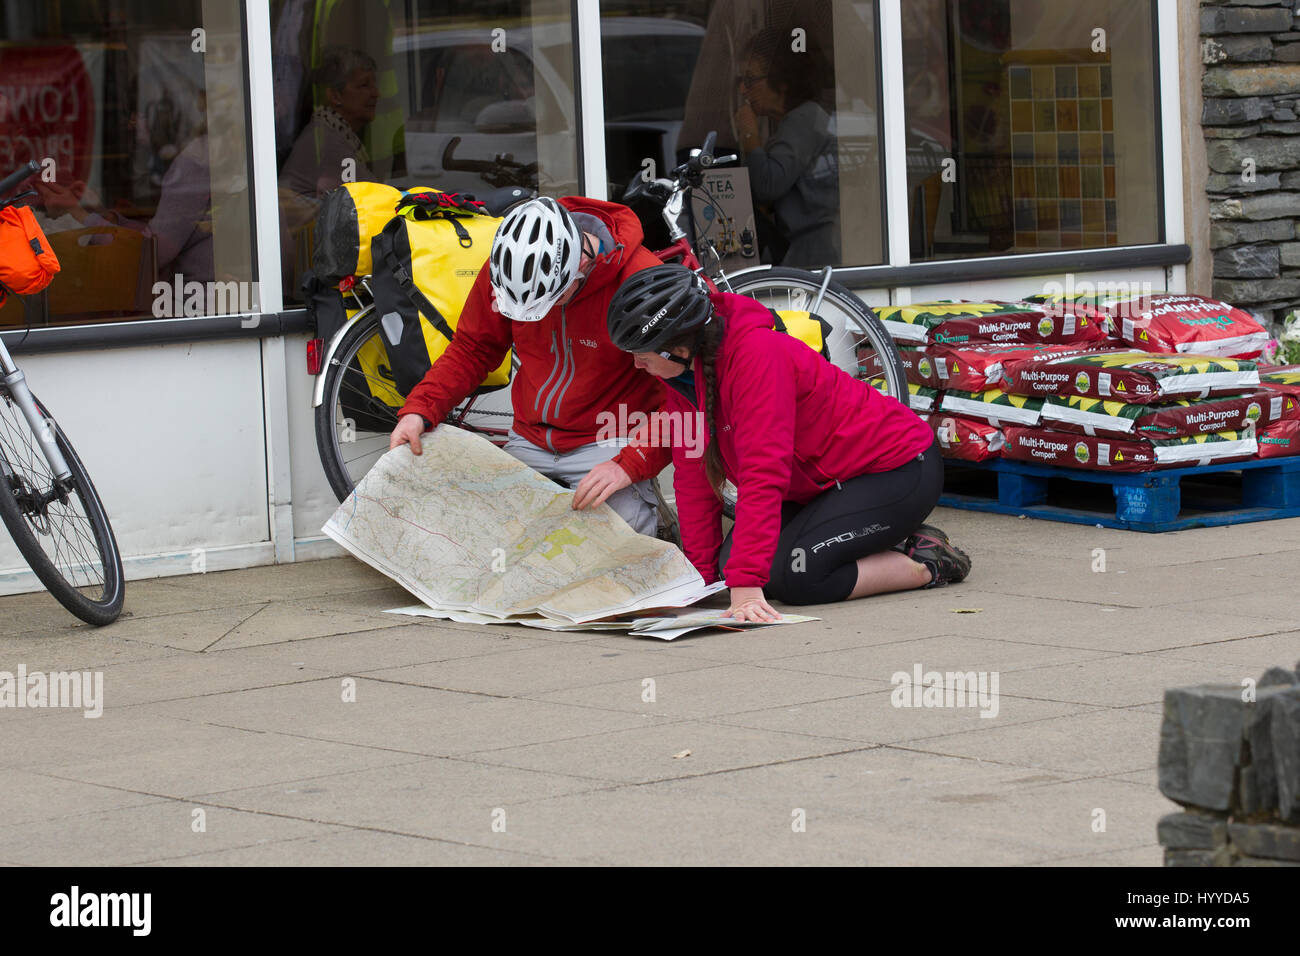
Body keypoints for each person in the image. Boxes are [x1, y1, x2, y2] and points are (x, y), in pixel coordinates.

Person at [606, 264, 971, 622]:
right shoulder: (681, 382)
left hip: (896, 469)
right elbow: (694, 478)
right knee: (727, 566)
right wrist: (698, 583)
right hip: (822, 485)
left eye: (643, 354)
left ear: (677, 347)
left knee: (798, 577)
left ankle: (925, 561)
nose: (637, 365)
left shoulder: (757, 355)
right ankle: (866, 540)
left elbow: (763, 472)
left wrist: (746, 584)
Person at [389, 196, 671, 535]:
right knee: (479, 543)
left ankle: (650, 512)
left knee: (620, 562)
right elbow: (474, 347)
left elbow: (683, 399)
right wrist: (419, 410)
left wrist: (630, 465)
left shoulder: (641, 279)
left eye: (553, 300)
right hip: (529, 439)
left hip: (610, 441)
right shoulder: (509, 268)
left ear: (581, 265)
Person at [733, 28, 840, 267]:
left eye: (750, 80)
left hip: (810, 254)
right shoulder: (792, 122)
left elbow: (768, 185)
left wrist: (749, 135)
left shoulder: (804, 119)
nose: (743, 89)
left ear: (781, 81)